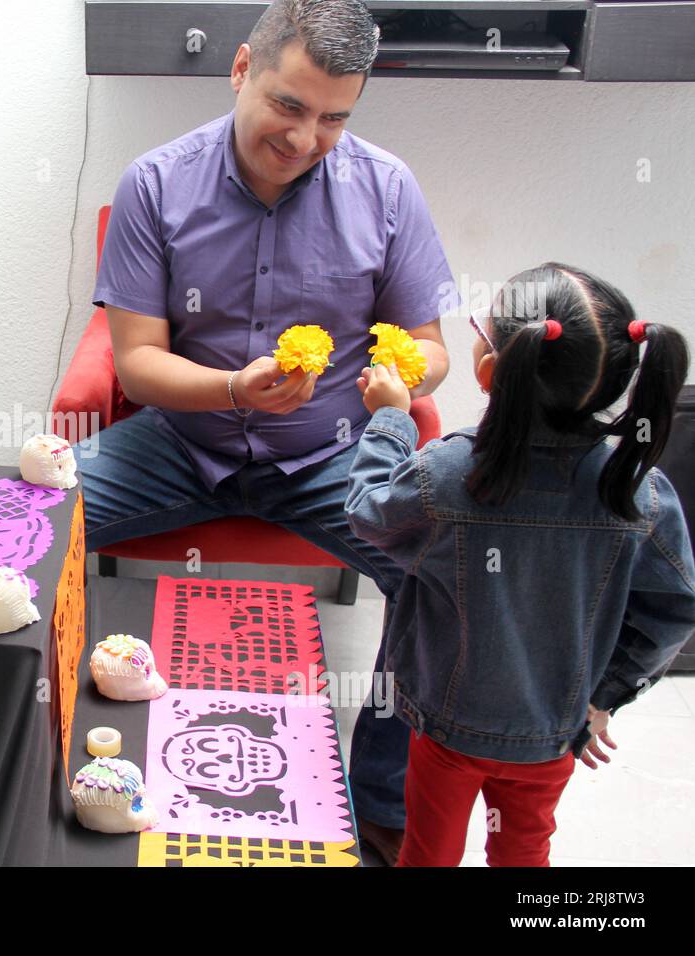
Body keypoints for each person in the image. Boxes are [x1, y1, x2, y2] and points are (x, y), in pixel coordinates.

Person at [79, 0, 454, 861]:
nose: (305, 138)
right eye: (289, 106)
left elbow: (431, 351)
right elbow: (136, 362)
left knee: (443, 577)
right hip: (180, 442)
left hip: (336, 458)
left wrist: (407, 376)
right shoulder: (155, 183)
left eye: (333, 118)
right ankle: (46, 738)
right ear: (242, 67)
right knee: (38, 525)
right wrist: (230, 389)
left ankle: (383, 808)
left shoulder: (387, 188)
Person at [347, 262, 695, 866]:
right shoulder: (640, 491)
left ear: (488, 373)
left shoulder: (449, 476)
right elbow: (673, 610)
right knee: (525, 850)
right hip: (554, 734)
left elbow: (368, 514)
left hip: (447, 729)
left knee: (428, 851)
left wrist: (391, 420)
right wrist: (605, 694)